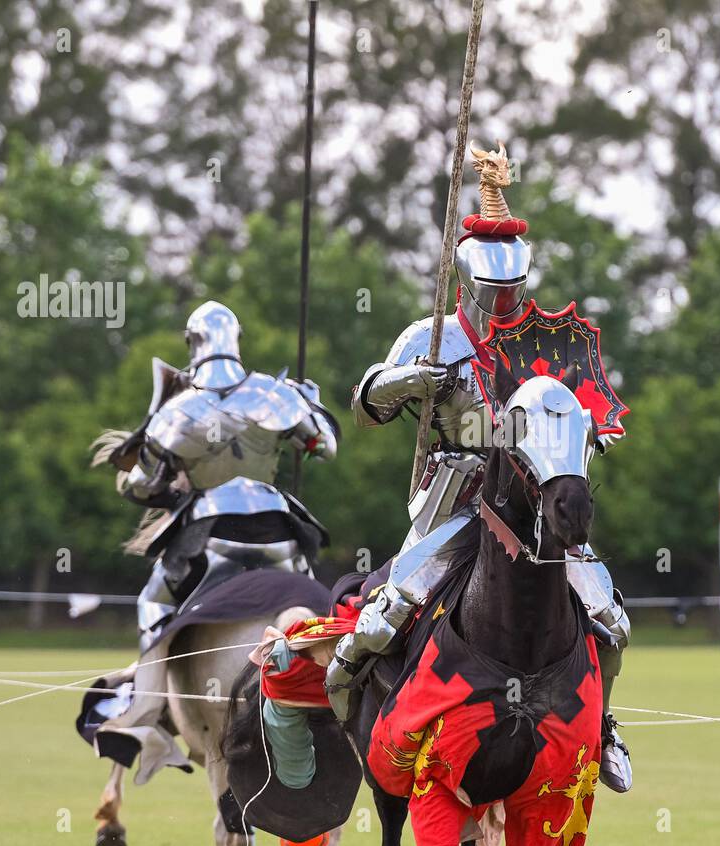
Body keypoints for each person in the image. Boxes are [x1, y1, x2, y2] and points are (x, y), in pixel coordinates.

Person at [324, 142, 634, 793]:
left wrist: (588, 441)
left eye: (514, 289)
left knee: (608, 613)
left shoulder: (547, 346)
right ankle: (356, 695)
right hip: (456, 497)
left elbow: (583, 418)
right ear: (468, 282)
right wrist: (415, 377)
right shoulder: (432, 335)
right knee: (391, 608)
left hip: (534, 500)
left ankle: (601, 728)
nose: (505, 301)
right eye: (495, 290)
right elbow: (364, 405)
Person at [78, 300, 338, 782]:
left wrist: (144, 476)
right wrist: (309, 399)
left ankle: (146, 703)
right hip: (280, 534)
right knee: (311, 605)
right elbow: (324, 447)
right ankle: (338, 688)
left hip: (210, 538)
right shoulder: (275, 395)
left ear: (193, 345)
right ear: (236, 339)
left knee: (152, 601)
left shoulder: (178, 411)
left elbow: (147, 487)